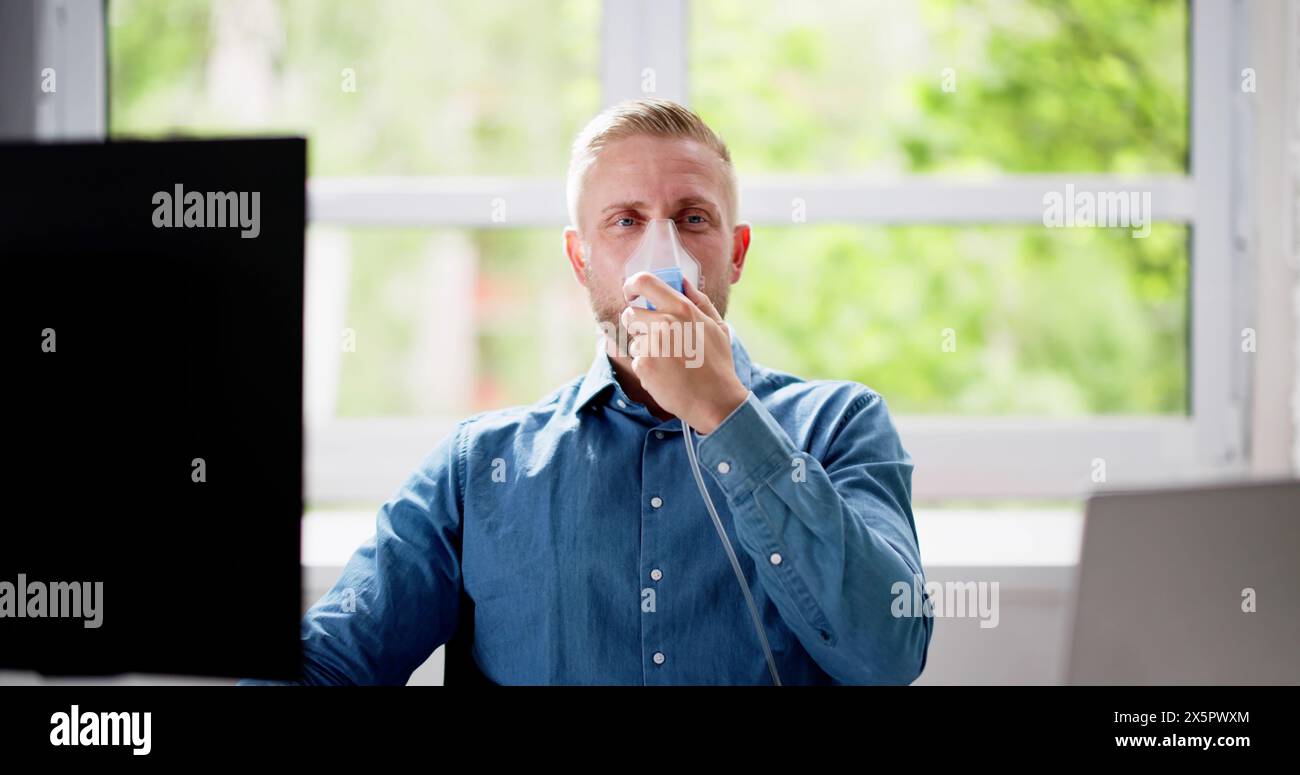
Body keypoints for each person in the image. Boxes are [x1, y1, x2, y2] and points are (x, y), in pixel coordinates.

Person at [242, 98, 932, 685]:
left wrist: (727, 416)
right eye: (626, 221)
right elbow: (331, 662)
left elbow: (888, 651)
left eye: (692, 218)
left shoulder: (839, 425)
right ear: (580, 258)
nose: (664, 257)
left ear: (738, 250)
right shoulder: (477, 468)